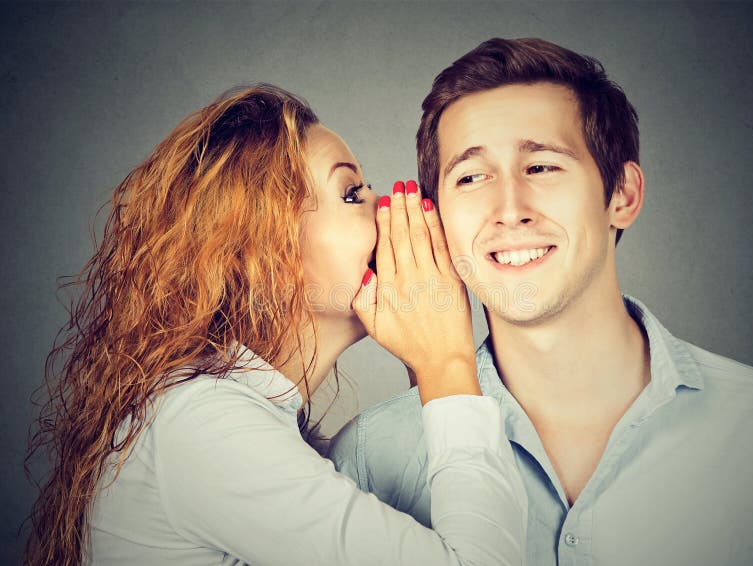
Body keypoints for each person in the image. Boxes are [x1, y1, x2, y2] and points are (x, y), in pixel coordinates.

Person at [330, 37, 753, 565]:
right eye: (471, 177)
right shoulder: (369, 458)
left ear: (621, 194)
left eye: (543, 167)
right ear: (435, 219)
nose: (510, 210)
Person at [24, 84, 527, 565]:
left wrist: (424, 362)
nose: (392, 207)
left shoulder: (241, 420)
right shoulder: (203, 424)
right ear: (267, 253)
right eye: (352, 193)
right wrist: (446, 361)